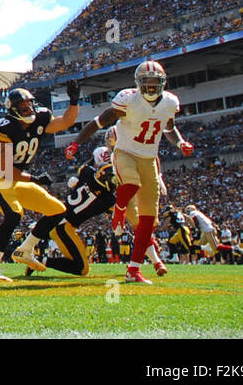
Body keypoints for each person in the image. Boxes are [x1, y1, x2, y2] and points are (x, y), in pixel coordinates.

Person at [66, 61, 192, 285]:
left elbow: (169, 128)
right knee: (131, 184)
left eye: (156, 82)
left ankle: (133, 269)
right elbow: (98, 121)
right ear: (139, 83)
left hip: (149, 158)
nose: (152, 86)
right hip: (125, 153)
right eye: (148, 82)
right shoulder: (128, 99)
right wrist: (76, 143)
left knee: (148, 221)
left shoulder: (170, 102)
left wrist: (180, 143)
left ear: (163, 83)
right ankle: (120, 210)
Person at [0, 81, 80, 281]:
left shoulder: (40, 118)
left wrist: (74, 101)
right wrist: (35, 178)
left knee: (57, 210)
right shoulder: (5, 128)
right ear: (13, 109)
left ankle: (25, 250)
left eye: (30, 105)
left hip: (19, 177)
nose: (29, 110)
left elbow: (66, 122)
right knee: (14, 215)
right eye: (24, 108)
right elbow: (7, 171)